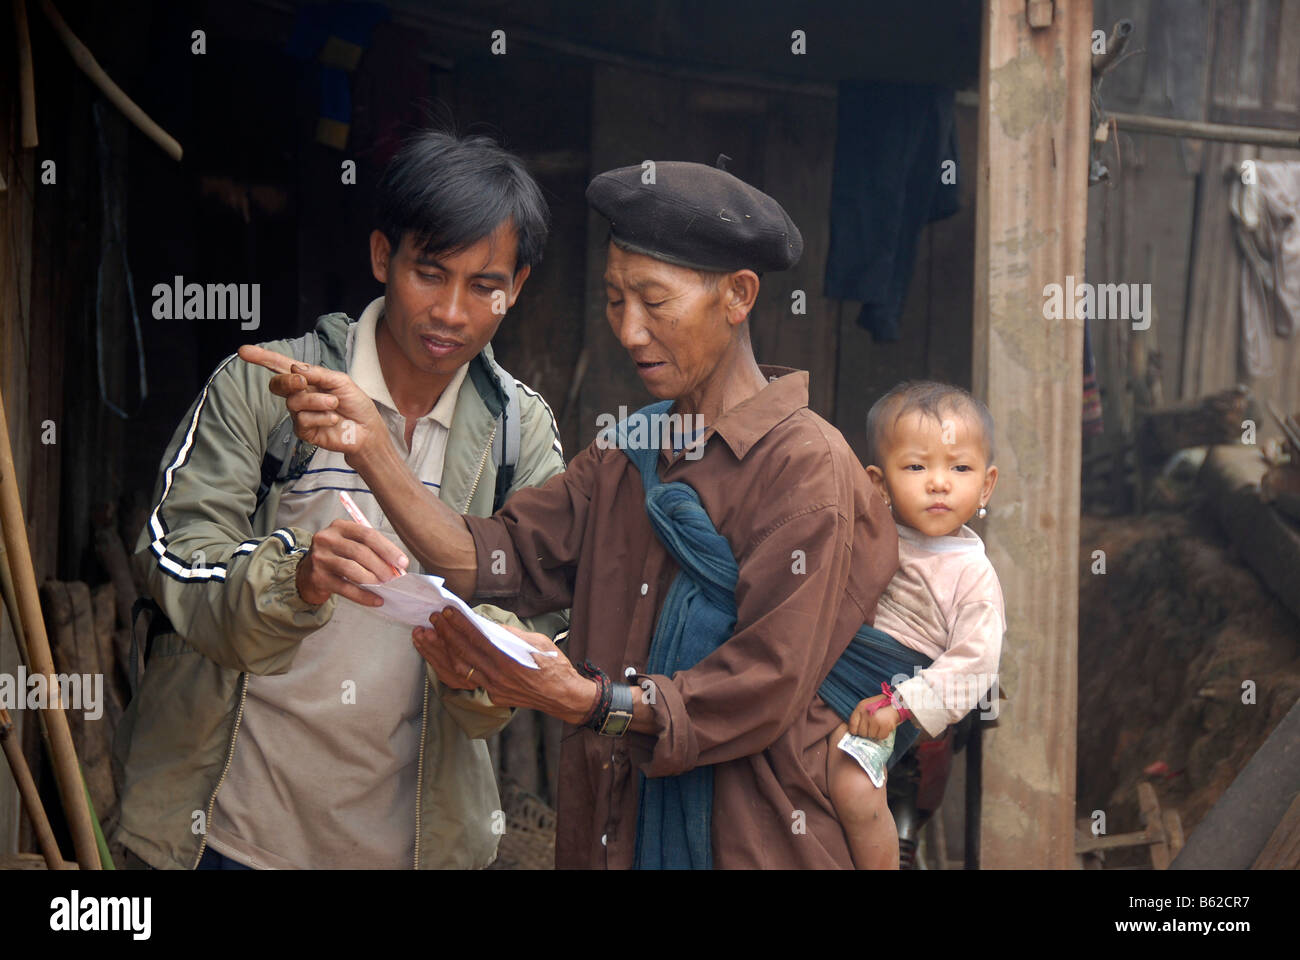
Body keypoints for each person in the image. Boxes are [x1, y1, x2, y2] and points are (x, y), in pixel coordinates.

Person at [241, 160, 901, 868]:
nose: (629, 330)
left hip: (749, 844)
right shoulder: (630, 452)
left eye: (654, 301)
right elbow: (489, 558)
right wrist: (371, 448)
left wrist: (589, 701)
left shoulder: (807, 467)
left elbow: (762, 687)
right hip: (607, 834)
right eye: (616, 300)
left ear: (738, 296)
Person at [112, 130, 568, 870]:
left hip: (409, 848)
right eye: (430, 272)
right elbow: (171, 559)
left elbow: (548, 616)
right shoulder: (266, 387)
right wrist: (294, 577)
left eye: (484, 285)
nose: (452, 311)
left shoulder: (521, 432)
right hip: (226, 833)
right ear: (382, 256)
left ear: (515, 289)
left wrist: (478, 661)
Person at [828, 380, 1005, 869]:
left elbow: (975, 663)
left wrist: (898, 706)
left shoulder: (972, 574)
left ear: (986, 485)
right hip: (834, 670)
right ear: (879, 484)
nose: (939, 482)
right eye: (916, 466)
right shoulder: (864, 537)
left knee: (850, 782)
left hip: (894, 694)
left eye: (960, 467)